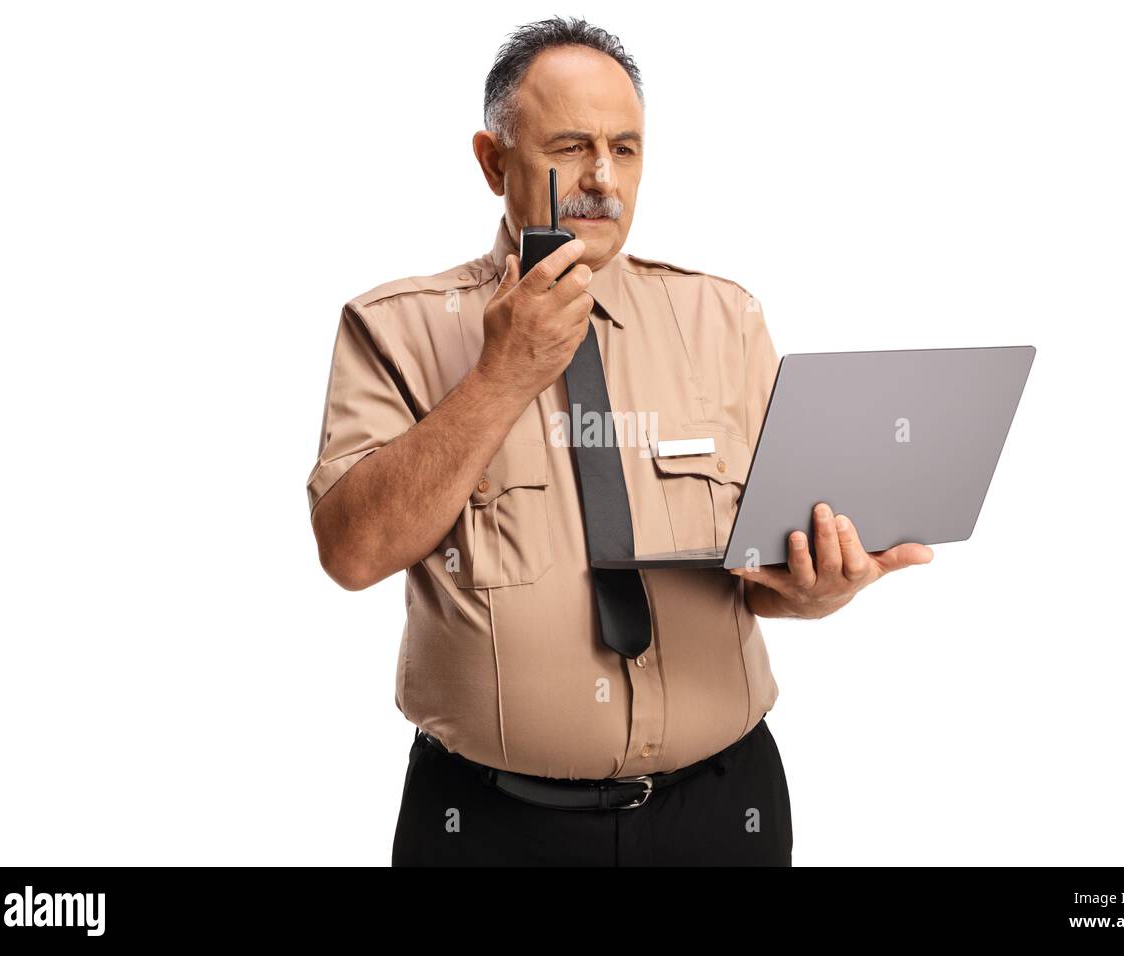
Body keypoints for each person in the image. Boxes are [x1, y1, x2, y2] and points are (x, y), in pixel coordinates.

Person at [306, 16, 933, 866]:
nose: (603, 178)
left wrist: (820, 588)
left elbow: (761, 582)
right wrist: (500, 375)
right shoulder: (397, 329)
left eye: (626, 149)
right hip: (491, 830)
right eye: (571, 146)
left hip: (723, 813)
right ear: (494, 163)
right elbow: (352, 551)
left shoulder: (724, 318)